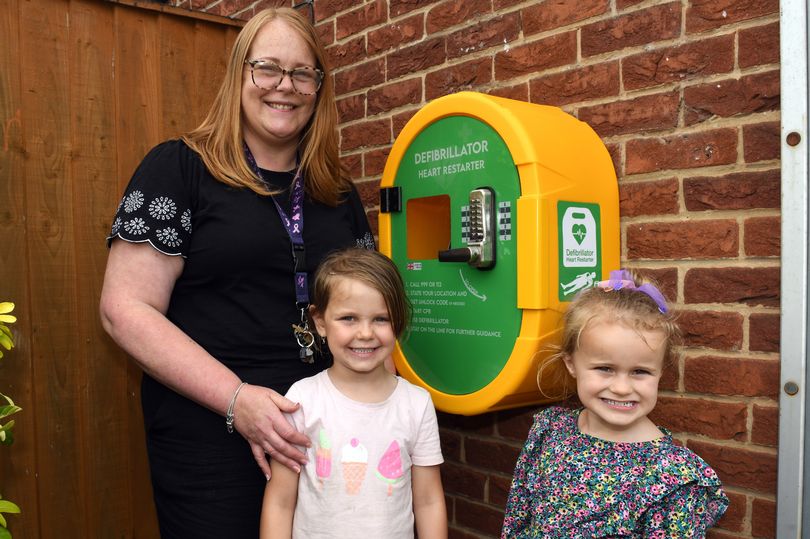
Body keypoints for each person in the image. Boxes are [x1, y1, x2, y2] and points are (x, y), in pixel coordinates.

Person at [99, 7, 374, 538]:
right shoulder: (178, 168)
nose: (284, 86)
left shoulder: (335, 192)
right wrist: (236, 400)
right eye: (267, 68)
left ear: (318, 89)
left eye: (302, 73)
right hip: (212, 442)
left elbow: (367, 307)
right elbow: (124, 310)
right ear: (239, 76)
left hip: (325, 435)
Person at [501, 269, 729, 538]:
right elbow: (518, 518)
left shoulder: (672, 478)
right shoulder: (550, 430)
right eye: (605, 368)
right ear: (571, 363)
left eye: (640, 371)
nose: (621, 388)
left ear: (660, 372)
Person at [260, 248, 447, 538]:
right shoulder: (302, 399)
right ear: (320, 322)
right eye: (349, 318)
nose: (365, 333)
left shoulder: (416, 403)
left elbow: (428, 501)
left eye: (381, 319)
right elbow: (280, 502)